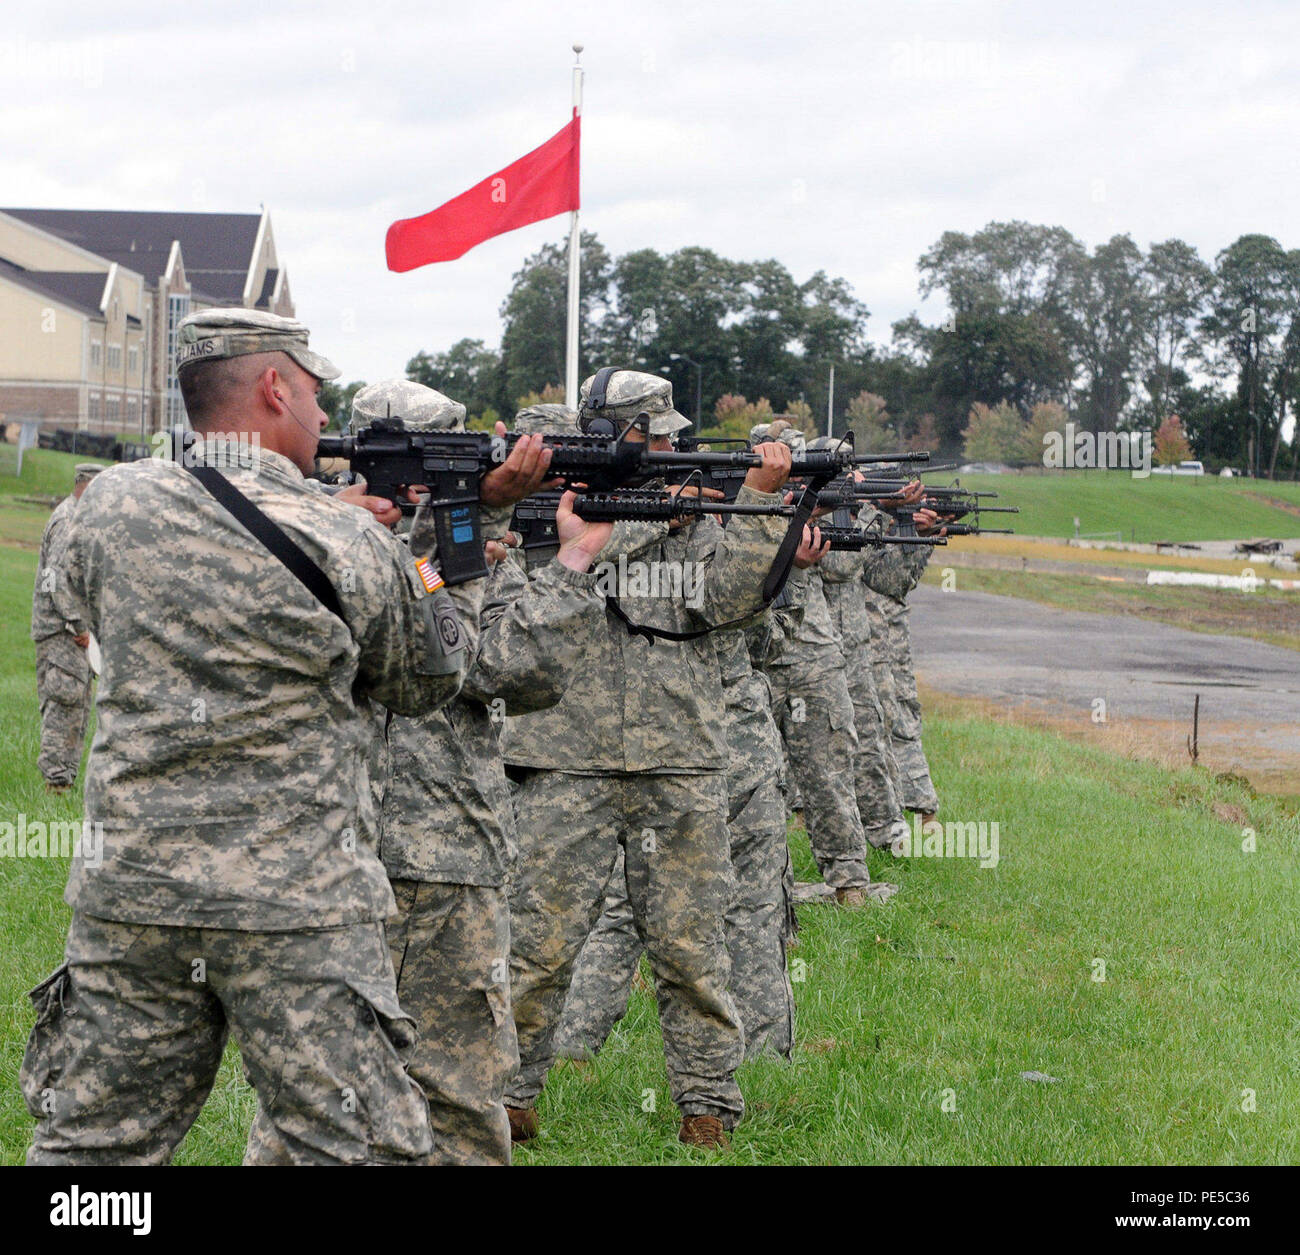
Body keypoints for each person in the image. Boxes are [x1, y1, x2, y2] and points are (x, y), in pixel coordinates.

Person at [20, 308, 550, 1165]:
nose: (321, 414)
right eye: (313, 391)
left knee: (92, 1145)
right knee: (342, 1141)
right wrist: (455, 544)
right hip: (296, 905)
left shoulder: (104, 506)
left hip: (134, 893)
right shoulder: (345, 538)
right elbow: (431, 677)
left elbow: (83, 605)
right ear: (275, 387)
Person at [503, 369, 793, 1150]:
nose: (670, 444)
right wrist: (641, 521)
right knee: (538, 945)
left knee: (693, 949)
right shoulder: (545, 504)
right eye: (653, 432)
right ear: (608, 438)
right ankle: (508, 1095)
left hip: (677, 756)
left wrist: (762, 502)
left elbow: (727, 600)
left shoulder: (689, 507)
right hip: (566, 755)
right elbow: (538, 586)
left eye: (670, 432)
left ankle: (707, 1107)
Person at [353, 380, 610, 1165]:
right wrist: (472, 529)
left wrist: (567, 560)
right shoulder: (357, 543)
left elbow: (516, 668)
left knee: (417, 1088)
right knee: (375, 1089)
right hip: (396, 853)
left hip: (426, 852)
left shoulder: (462, 545)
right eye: (454, 458)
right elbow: (434, 641)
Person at [31, 464, 100, 791]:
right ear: (88, 487)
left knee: (76, 709)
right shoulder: (68, 522)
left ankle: (63, 781)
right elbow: (55, 582)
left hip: (68, 633)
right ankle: (55, 785)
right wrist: (79, 625)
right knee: (64, 706)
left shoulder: (78, 519)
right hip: (62, 633)